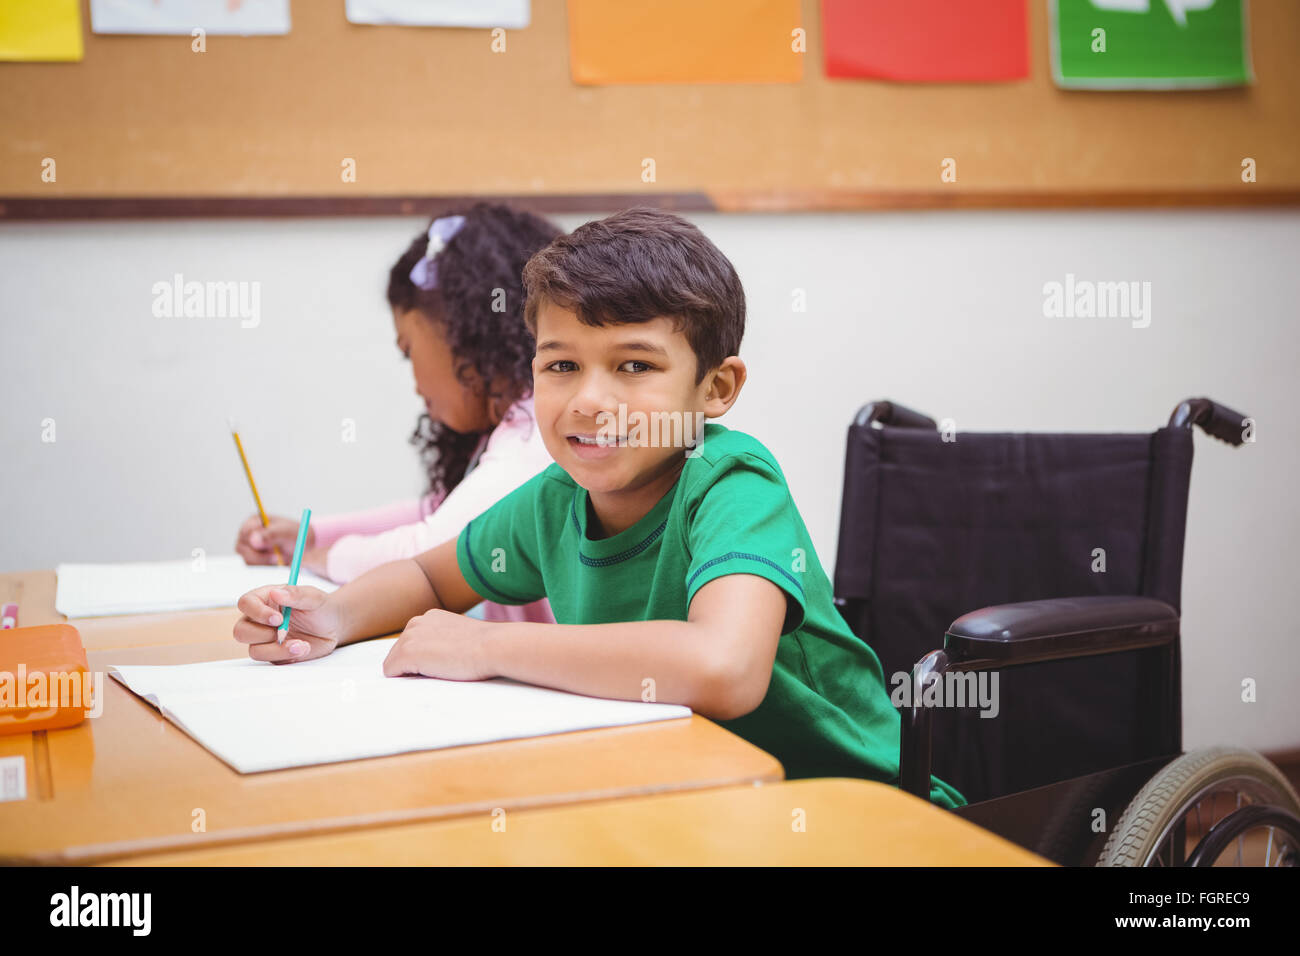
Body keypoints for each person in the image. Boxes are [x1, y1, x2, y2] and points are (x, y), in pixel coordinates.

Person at [232, 207, 965, 808]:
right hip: (689, 799)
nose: (589, 399)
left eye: (634, 365)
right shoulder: (556, 501)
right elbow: (428, 578)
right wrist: (331, 619)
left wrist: (485, 647)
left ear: (715, 389)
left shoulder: (733, 482)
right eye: (561, 365)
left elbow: (723, 667)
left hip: (857, 813)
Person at [234, 203, 560, 624]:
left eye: (408, 351)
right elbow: (435, 511)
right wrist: (311, 534)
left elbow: (428, 551)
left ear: (460, 333)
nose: (415, 382)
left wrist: (320, 557)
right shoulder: (508, 428)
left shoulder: (531, 437)